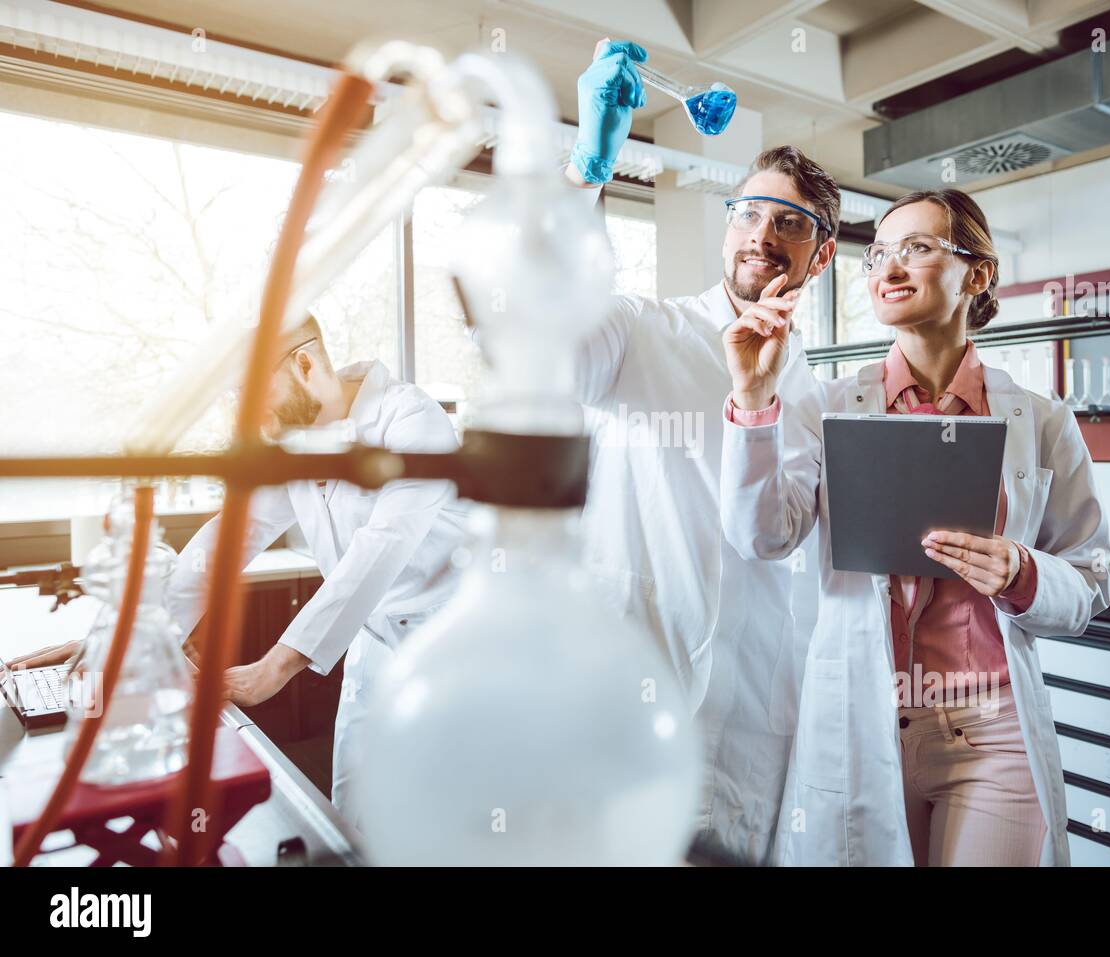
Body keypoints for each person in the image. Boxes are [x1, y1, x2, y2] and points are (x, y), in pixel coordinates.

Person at [719, 187, 1110, 866]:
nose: (888, 269)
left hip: (991, 729)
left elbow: (1090, 579)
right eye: (877, 255)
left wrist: (1022, 572)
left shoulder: (1041, 421)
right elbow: (762, 535)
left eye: (917, 249)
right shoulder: (829, 404)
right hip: (864, 716)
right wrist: (753, 398)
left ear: (977, 274)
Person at [10, 314, 468, 827]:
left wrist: (275, 666)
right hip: (372, 647)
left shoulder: (412, 422)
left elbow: (382, 547)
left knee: (442, 819)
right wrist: (130, 637)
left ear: (303, 363)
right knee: (352, 821)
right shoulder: (295, 442)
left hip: (449, 653)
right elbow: (229, 538)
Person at [558, 39, 835, 863]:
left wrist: (757, 394)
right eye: (749, 212)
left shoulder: (818, 393)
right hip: (625, 702)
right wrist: (585, 177)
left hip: (753, 715)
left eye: (790, 223)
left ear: (820, 255)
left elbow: (773, 535)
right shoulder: (643, 330)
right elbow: (546, 338)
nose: (763, 233)